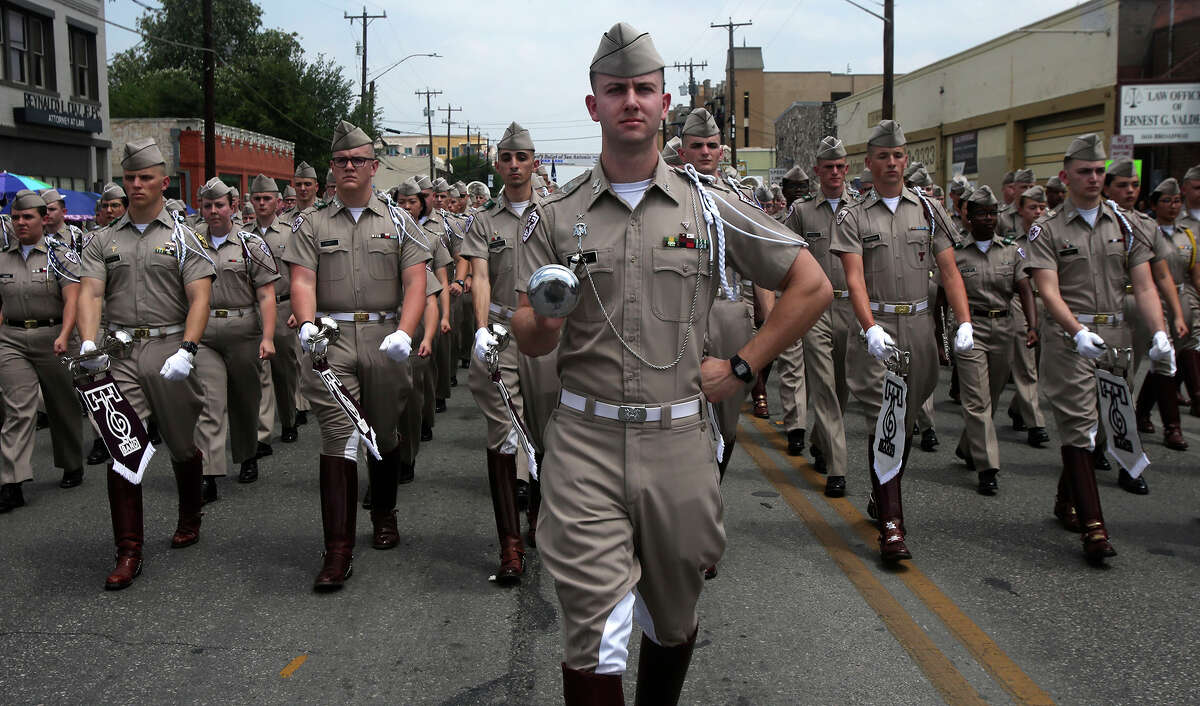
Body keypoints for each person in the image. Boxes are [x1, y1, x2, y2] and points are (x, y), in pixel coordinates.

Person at [512, 23, 830, 703]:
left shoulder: (711, 209)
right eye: (616, 89)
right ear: (594, 105)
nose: (631, 100)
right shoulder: (555, 217)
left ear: (663, 103)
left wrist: (744, 367)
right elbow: (528, 337)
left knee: (673, 617)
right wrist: (544, 317)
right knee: (594, 630)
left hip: (680, 440)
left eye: (644, 89)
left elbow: (811, 285)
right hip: (586, 443)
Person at [284, 120, 430, 591]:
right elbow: (303, 280)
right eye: (342, 161)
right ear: (333, 169)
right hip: (333, 340)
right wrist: (307, 325)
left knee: (384, 433)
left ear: (374, 167)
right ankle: (337, 551)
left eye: (358, 161)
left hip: (386, 337)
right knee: (340, 434)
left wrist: (406, 333)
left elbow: (415, 283)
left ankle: (384, 511)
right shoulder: (312, 223)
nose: (350, 168)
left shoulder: (399, 221)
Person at [77, 137, 216, 590]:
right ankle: (128, 550)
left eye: (144, 178)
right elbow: (92, 293)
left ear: (163, 181)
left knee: (180, 442)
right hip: (118, 353)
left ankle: (190, 515)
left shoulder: (184, 237)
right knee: (123, 446)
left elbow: (200, 297)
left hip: (169, 348)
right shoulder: (103, 238)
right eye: (129, 178)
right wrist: (86, 343)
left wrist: (189, 349)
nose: (136, 185)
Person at [832, 119, 974, 563]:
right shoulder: (853, 215)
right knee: (885, 419)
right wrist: (869, 326)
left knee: (906, 421)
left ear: (905, 160)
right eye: (883, 157)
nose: (892, 163)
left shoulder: (929, 211)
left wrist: (962, 322)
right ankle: (893, 525)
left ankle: (881, 493)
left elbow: (949, 272)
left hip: (919, 328)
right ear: (869, 163)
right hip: (880, 331)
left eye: (898, 156)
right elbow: (853, 278)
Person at [1025, 133, 1171, 562]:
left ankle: (1065, 499)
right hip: (1070, 340)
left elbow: (1144, 285)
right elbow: (1047, 290)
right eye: (1084, 171)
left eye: (1098, 172)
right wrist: (1075, 330)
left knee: (1102, 426)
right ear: (1066, 176)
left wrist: (1159, 331)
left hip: (1116, 339)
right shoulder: (1047, 228)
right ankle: (1094, 529)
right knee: (1080, 425)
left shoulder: (1128, 225)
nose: (1093, 178)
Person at [461, 122, 557, 584]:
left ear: (534, 162)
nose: (515, 166)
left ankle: (540, 516)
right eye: (507, 159)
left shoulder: (555, 213)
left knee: (545, 428)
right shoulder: (484, 219)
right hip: (500, 328)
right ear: (497, 164)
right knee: (505, 430)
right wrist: (481, 329)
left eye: (522, 158)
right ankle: (510, 544)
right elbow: (479, 274)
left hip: (545, 330)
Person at [192, 177, 278, 501]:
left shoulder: (248, 244)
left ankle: (247, 455)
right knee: (209, 401)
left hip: (243, 331)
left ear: (232, 207)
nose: (213, 211)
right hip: (204, 335)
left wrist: (268, 337)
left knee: (244, 400)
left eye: (219, 205)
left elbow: (267, 294)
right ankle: (209, 473)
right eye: (207, 205)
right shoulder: (190, 243)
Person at [0, 190, 84, 511]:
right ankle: (12, 481)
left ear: (42, 218)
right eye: (16, 217)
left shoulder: (59, 255)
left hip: (53, 337)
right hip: (13, 339)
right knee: (17, 410)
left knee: (62, 404)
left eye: (28, 217)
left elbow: (73, 299)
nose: (21, 223)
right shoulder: (3, 257)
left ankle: (71, 461)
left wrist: (65, 334)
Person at [949, 186, 1036, 494]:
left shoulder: (1013, 250)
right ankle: (988, 468)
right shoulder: (956, 252)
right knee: (976, 399)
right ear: (968, 219)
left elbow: (1024, 289)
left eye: (992, 213)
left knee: (993, 395)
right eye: (981, 214)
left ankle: (967, 445)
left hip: (1005, 328)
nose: (988, 219)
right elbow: (941, 297)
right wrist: (938, 332)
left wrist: (1032, 326)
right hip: (970, 327)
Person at [784, 136, 854, 497]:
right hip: (816, 310)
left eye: (841, 167)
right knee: (824, 386)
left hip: (852, 308)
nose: (835, 173)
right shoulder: (801, 212)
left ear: (847, 168)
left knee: (842, 388)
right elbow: (787, 256)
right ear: (817, 172)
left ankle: (821, 440)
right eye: (828, 167)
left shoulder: (861, 208)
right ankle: (838, 469)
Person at [1134, 176, 1194, 450]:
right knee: (1162, 361)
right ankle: (1172, 428)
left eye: (1177, 201)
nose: (1173, 206)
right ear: (1154, 205)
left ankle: (1143, 412)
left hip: (1180, 299)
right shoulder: (1144, 231)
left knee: (1167, 359)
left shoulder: (1188, 234)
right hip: (1150, 299)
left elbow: (1195, 272)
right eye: (1166, 201)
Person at [248, 174, 303, 463]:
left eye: (266, 198)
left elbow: (298, 274)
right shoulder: (243, 235)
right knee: (261, 374)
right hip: (253, 312)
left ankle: (290, 419)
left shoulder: (289, 233)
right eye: (256, 199)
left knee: (285, 371)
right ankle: (262, 435)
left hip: (283, 309)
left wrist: (298, 309)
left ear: (278, 202)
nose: (261, 203)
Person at [1002, 185, 1051, 447]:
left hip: (1048, 302)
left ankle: (1018, 406)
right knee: (1026, 362)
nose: (1039, 212)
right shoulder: (1013, 242)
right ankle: (1036, 423)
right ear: (1020, 210)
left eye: (1042, 207)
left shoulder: (1051, 236)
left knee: (1039, 363)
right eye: (1033, 207)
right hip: (1021, 301)